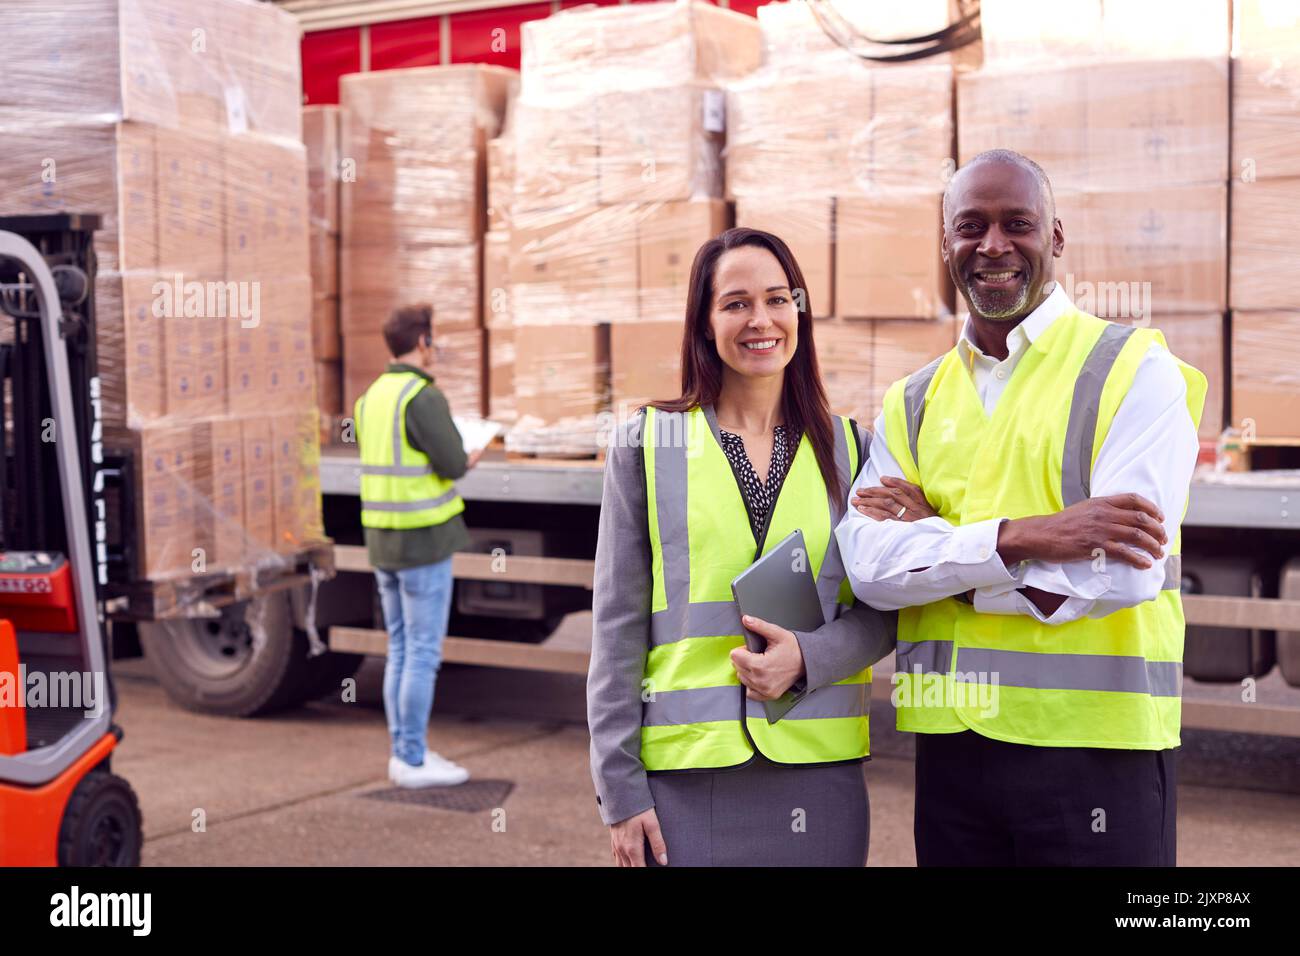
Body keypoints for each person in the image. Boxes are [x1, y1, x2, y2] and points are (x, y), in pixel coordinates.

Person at [837, 149, 1206, 866]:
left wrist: (941, 551)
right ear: (944, 244)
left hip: (1098, 752)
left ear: (1057, 238)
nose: (993, 245)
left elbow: (1124, 573)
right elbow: (871, 568)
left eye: (1018, 224)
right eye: (970, 226)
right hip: (953, 758)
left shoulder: (1136, 369)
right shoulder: (912, 400)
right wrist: (1025, 537)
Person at [587, 227, 896, 867]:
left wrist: (808, 658)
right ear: (704, 322)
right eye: (736, 303)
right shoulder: (649, 443)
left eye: (778, 299)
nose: (761, 320)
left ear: (799, 312)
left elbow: (884, 608)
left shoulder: (853, 449)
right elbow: (616, 626)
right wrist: (619, 790)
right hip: (688, 777)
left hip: (819, 770)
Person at [354, 303, 482, 789]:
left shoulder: (371, 398)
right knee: (422, 652)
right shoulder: (422, 397)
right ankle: (411, 759)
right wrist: (468, 457)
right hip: (423, 542)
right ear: (423, 342)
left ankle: (404, 752)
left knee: (401, 649)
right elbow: (450, 462)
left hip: (383, 542)